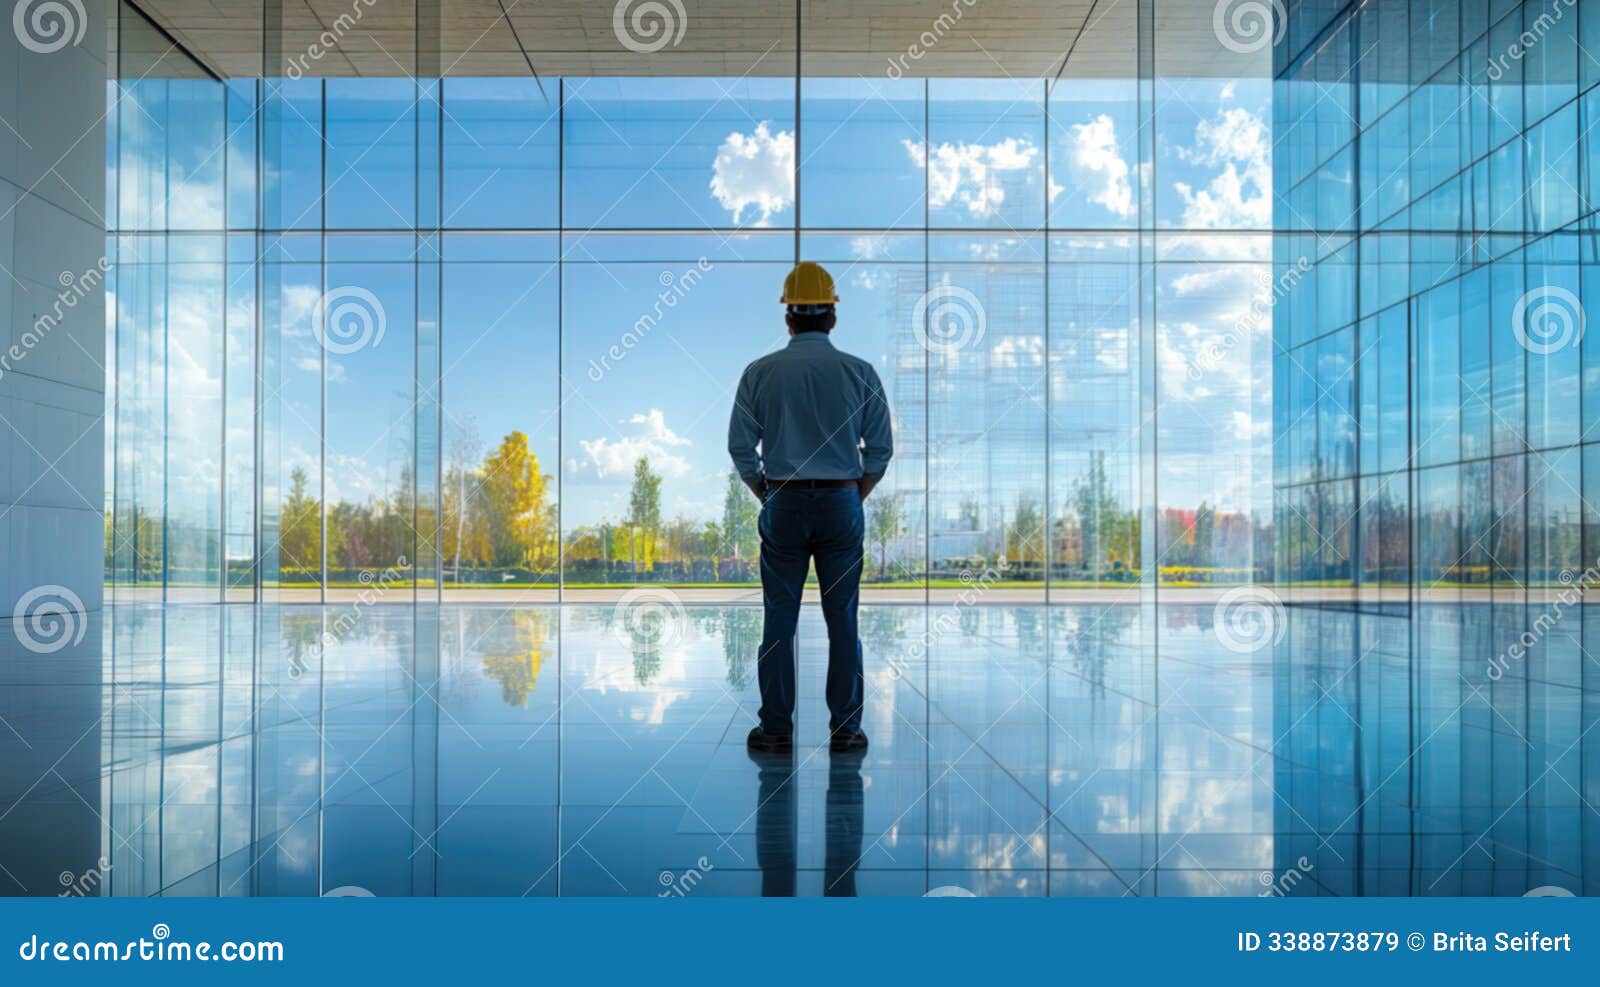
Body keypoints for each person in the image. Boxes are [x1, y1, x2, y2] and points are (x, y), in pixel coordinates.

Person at [727, 262, 893, 755]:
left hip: (783, 500)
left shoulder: (759, 373)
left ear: (788, 319)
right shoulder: (860, 372)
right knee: (843, 619)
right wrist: (852, 493)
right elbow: (879, 450)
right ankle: (846, 729)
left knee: (779, 618)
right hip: (843, 500)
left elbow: (741, 447)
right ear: (833, 317)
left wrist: (767, 492)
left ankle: (776, 728)